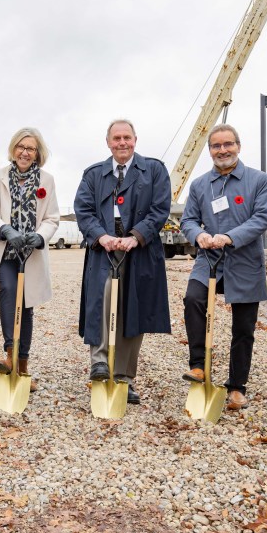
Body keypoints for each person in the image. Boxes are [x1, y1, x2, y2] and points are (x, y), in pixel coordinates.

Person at [75, 119, 171, 405]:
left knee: (132, 312)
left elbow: (160, 208)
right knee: (101, 303)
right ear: (108, 142)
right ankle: (100, 363)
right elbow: (84, 209)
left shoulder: (154, 170)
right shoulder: (93, 174)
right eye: (116, 138)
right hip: (103, 250)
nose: (122, 143)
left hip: (138, 252)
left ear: (135, 140)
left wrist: (136, 236)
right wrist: (100, 236)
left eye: (126, 137)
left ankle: (124, 377)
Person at [180, 124, 267, 411]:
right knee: (193, 298)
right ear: (210, 151)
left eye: (228, 144)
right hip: (209, 259)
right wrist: (199, 235)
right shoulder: (199, 185)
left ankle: (236, 386)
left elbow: (261, 218)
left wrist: (231, 237)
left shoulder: (258, 180)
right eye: (216, 146)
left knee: (243, 327)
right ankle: (198, 366)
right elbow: (188, 221)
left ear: (238, 146)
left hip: (244, 260)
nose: (223, 150)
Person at [0, 128, 59, 390]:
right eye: (21, 147)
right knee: (9, 292)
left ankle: (23, 366)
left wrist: (40, 236)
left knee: (27, 305)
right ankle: (10, 354)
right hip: (5, 252)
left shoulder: (46, 180)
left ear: (37, 154)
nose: (25, 152)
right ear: (13, 149)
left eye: (31, 148)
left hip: (31, 254)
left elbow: (52, 218)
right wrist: (5, 229)